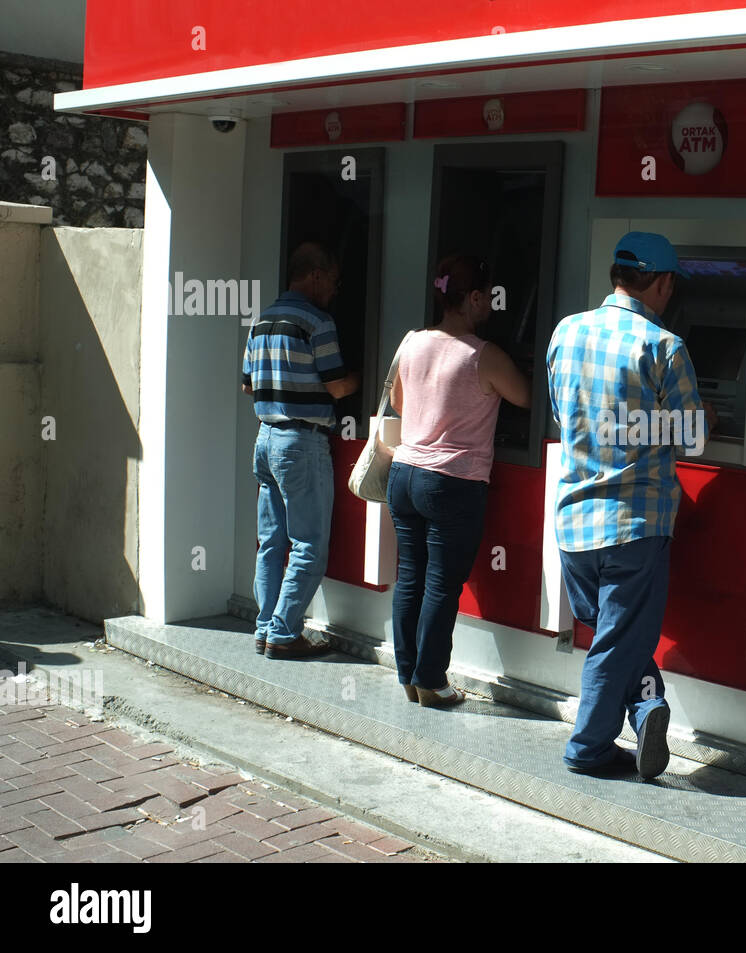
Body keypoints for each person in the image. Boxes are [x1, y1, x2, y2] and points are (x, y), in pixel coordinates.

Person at [546, 231, 716, 779]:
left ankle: (647, 709)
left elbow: (563, 416)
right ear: (663, 282)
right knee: (620, 640)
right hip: (634, 523)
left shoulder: (565, 332)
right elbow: (692, 437)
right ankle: (589, 747)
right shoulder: (663, 346)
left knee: (614, 635)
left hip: (574, 521)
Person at [387, 254, 530, 707]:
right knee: (441, 585)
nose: (491, 304)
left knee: (409, 577)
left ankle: (409, 675)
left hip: (405, 474)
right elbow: (526, 398)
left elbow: (396, 401)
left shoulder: (412, 342)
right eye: (487, 296)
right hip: (453, 481)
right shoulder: (484, 356)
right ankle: (432, 681)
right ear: (471, 298)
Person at [242, 241, 360, 659]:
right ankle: (284, 633)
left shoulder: (261, 321)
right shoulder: (318, 321)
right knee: (309, 543)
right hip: (301, 443)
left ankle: (264, 627)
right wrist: (360, 379)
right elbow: (336, 384)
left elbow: (246, 384)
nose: (334, 289)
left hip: (265, 438)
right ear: (315, 275)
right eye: (332, 280)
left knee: (272, 541)